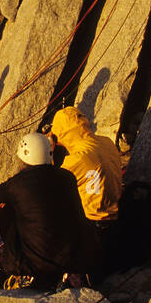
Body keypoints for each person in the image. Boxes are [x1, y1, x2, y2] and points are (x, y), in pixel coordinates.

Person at [0, 133, 97, 289]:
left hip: (34, 264)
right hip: (74, 256)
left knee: (4, 208)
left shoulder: (17, 184)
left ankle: (14, 256)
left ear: (23, 158)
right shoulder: (67, 176)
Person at [49, 106, 124, 269]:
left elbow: (50, 188)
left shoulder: (76, 159)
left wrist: (50, 152)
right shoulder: (106, 142)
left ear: (62, 134)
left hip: (94, 224)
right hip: (117, 217)